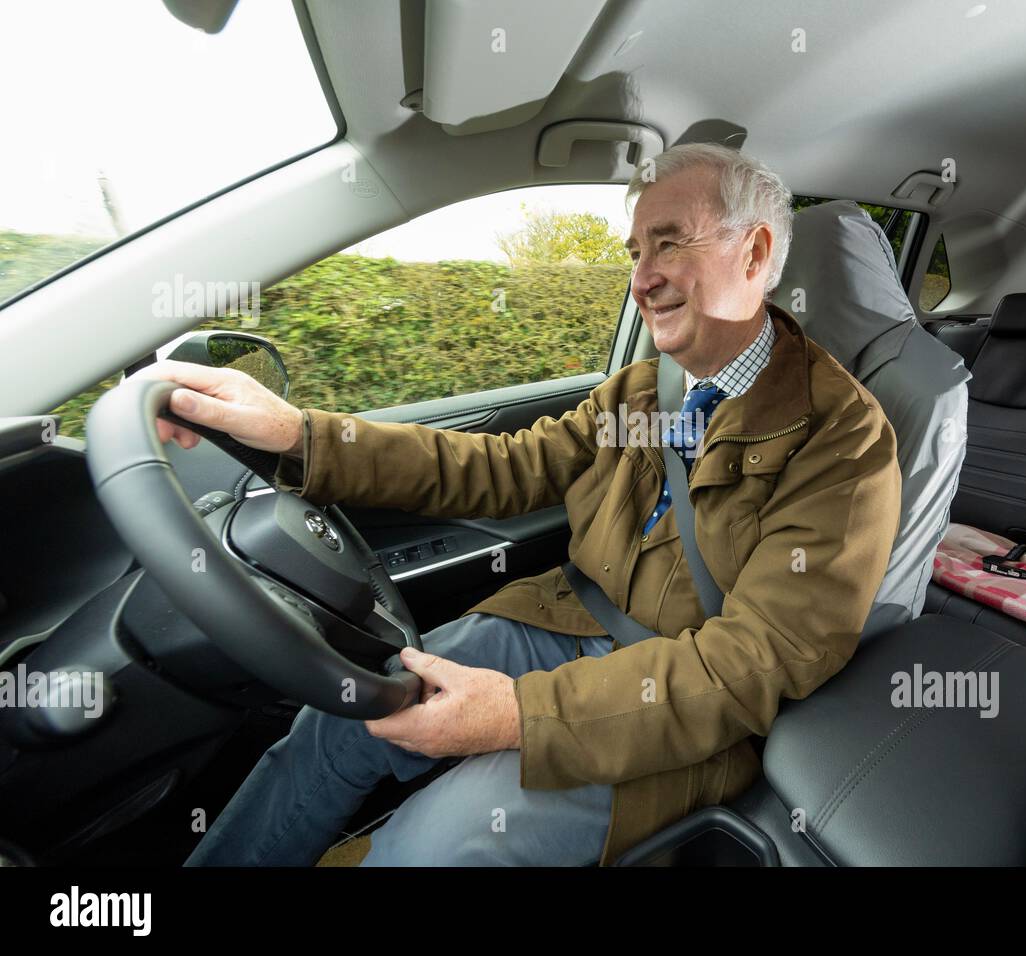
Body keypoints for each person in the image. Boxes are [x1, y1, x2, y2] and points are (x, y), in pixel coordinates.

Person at [149, 143, 902, 866]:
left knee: (434, 847)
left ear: (756, 254)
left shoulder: (844, 438)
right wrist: (298, 434)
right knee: (339, 715)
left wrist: (521, 713)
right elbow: (497, 467)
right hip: (565, 621)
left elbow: (754, 664)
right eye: (636, 252)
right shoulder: (644, 390)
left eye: (669, 244)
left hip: (686, 714)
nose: (641, 280)